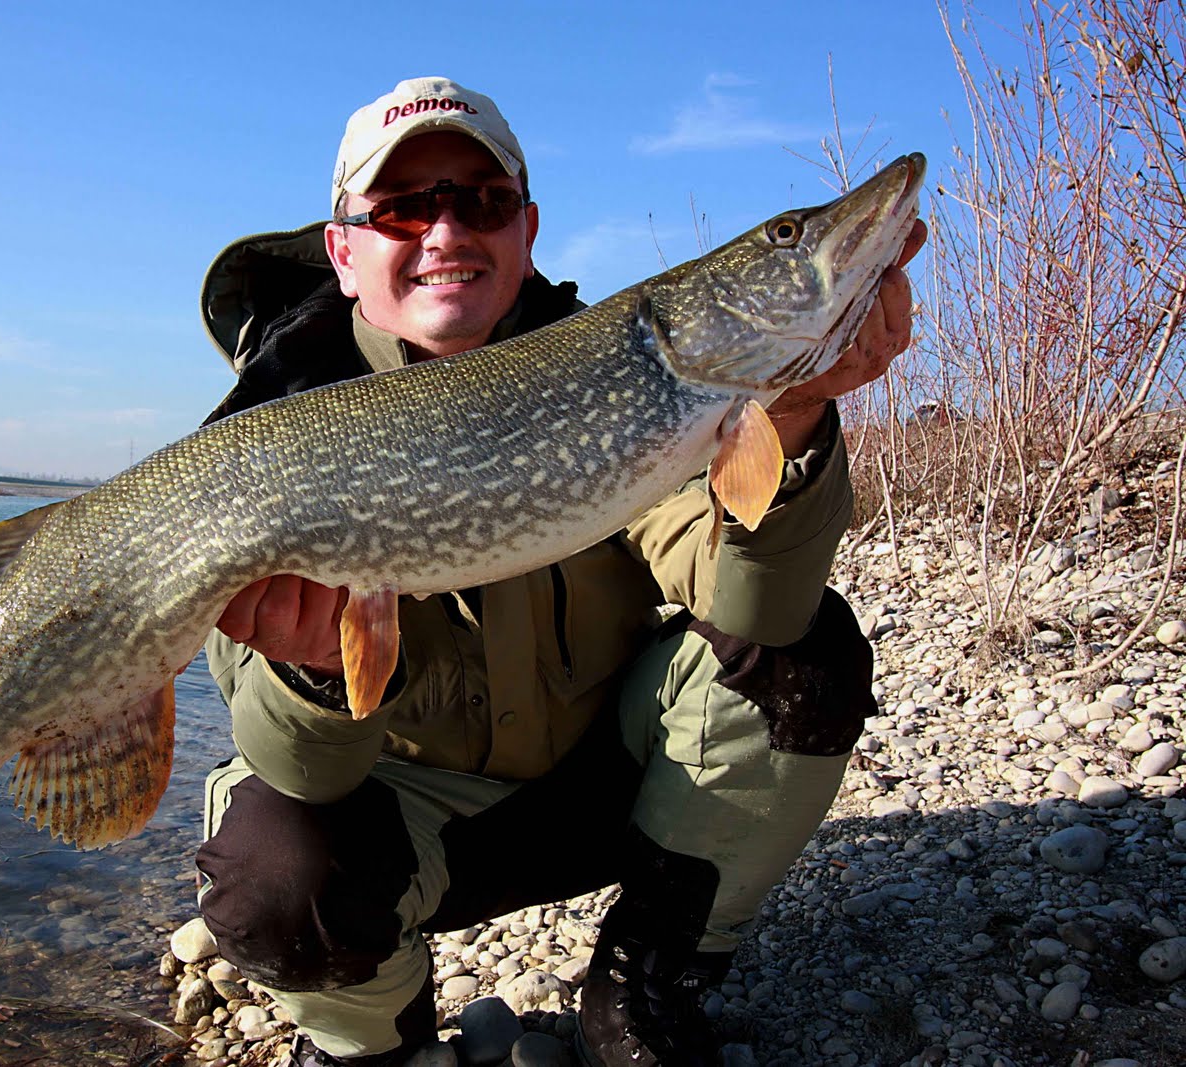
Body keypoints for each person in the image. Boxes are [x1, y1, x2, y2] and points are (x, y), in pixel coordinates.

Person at [191, 77, 925, 1067]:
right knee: (272, 871)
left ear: (525, 230)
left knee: (805, 655)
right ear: (343, 251)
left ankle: (645, 982)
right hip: (410, 829)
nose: (446, 231)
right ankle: (373, 1045)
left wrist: (791, 418)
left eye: (481, 202)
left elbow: (762, 606)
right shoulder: (256, 445)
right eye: (404, 208)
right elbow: (304, 771)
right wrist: (318, 669)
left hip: (596, 789)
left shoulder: (625, 376)